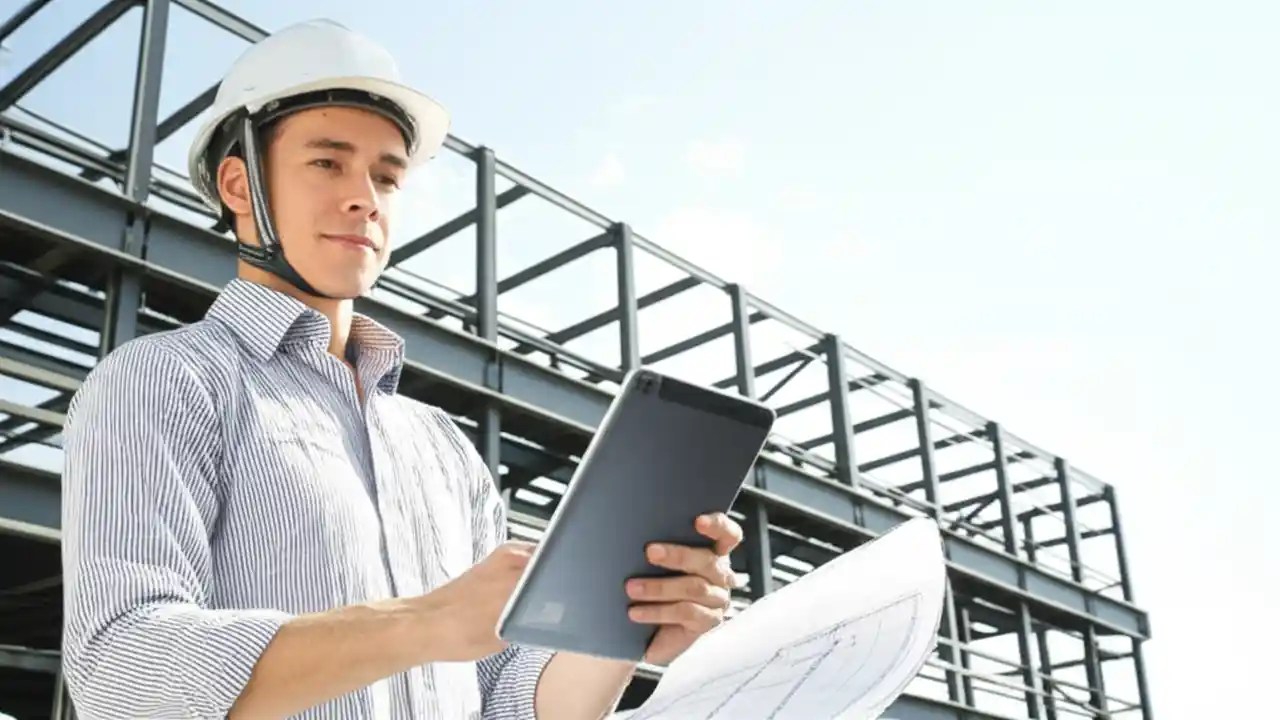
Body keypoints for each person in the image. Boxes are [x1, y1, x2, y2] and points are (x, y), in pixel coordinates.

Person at [59, 18, 744, 720]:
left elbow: (505, 698)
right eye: (328, 163)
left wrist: (622, 631)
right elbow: (121, 669)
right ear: (239, 185)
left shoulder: (441, 444)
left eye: (386, 176)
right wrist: (424, 623)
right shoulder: (162, 384)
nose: (366, 197)